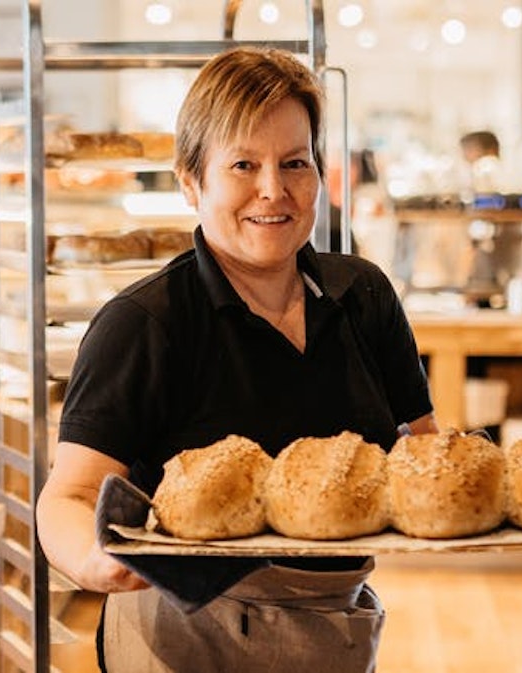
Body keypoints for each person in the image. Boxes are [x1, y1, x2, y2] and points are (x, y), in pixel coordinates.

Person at [35, 45, 439, 673]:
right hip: (186, 633)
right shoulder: (144, 325)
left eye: (295, 163)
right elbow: (69, 495)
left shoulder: (363, 295)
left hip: (334, 625)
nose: (273, 190)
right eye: (243, 164)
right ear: (191, 181)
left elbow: (420, 449)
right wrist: (94, 560)